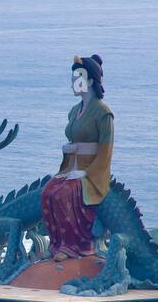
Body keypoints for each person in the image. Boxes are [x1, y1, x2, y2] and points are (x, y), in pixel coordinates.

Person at [41, 54, 114, 259]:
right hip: (70, 166)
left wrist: (86, 172)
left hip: (90, 171)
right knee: (48, 192)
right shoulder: (74, 111)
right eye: (73, 78)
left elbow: (106, 150)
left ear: (90, 80)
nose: (74, 83)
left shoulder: (103, 113)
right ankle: (57, 244)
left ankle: (76, 245)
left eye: (79, 78)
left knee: (64, 195)